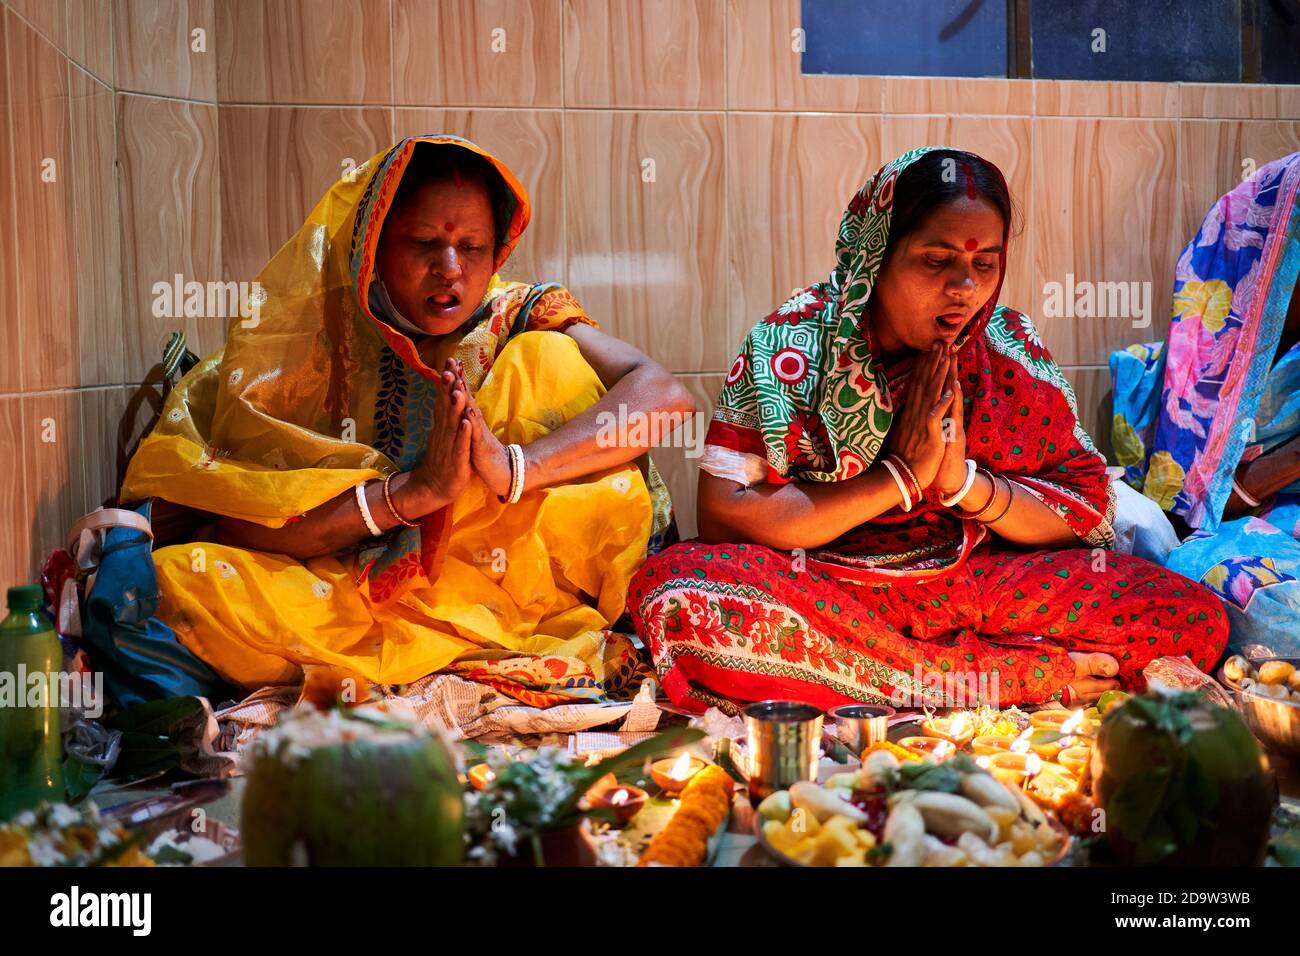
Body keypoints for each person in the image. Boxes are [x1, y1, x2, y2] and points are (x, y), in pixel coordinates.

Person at [630, 147, 1229, 714]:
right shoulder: (793, 346)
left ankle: (911, 674)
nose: (965, 287)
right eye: (937, 261)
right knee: (677, 594)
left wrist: (962, 484)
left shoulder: (1009, 348)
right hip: (826, 591)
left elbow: (1089, 513)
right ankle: (1007, 678)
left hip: (977, 585)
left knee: (1189, 616)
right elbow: (722, 516)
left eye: (984, 264)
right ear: (875, 259)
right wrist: (899, 478)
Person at [120, 135, 693, 707]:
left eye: (472, 248)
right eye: (424, 243)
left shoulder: (520, 314)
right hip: (351, 586)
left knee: (548, 361)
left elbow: (665, 396)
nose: (450, 271)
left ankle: (477, 640)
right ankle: (438, 653)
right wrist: (412, 495)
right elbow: (240, 522)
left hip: (518, 592)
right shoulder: (306, 343)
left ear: (497, 254)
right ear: (370, 246)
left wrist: (511, 466)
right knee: (178, 578)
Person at [1111, 151, 1300, 657]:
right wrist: (1290, 461)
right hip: (1265, 537)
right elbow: (1186, 519)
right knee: (1197, 576)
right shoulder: (1205, 365)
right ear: (1262, 260)